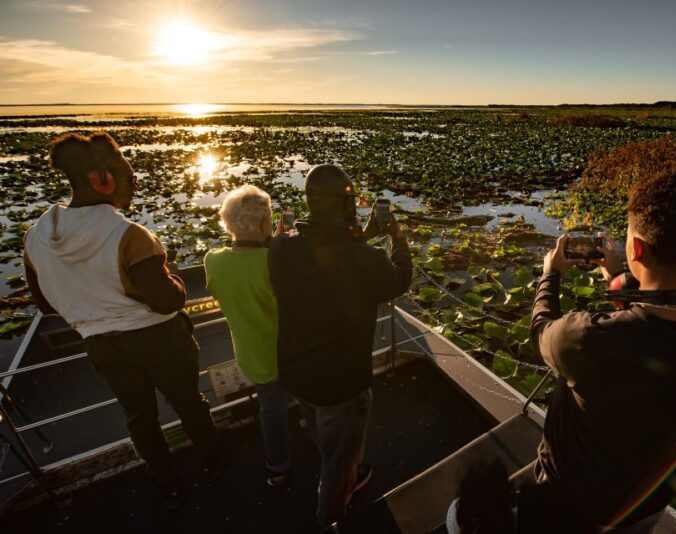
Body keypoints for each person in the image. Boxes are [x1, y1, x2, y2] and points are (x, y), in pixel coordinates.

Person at [521, 171, 676, 533]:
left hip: (563, 507)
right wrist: (620, 279)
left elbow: (542, 331)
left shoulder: (588, 338)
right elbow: (664, 331)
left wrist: (549, 275)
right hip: (646, 505)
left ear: (636, 248)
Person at [24, 132, 222, 508]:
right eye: (130, 178)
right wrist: (176, 279)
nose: (133, 186)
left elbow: (46, 305)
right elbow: (167, 302)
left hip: (101, 344)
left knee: (139, 416)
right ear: (102, 179)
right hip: (158, 339)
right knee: (188, 403)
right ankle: (214, 459)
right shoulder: (128, 235)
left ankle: (167, 483)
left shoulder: (35, 239)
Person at [268, 164, 412, 529]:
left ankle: (348, 470)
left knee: (320, 431)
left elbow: (328, 256)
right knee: (336, 468)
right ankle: (330, 520)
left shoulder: (281, 248)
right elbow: (398, 279)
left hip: (296, 374)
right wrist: (397, 237)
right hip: (340, 384)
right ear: (348, 207)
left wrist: (360, 236)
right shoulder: (365, 259)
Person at [203, 185, 291, 487]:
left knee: (271, 407)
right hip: (287, 351)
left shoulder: (212, 260)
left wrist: (267, 240)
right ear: (264, 223)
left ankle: (278, 465)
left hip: (250, 353)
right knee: (304, 399)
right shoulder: (274, 261)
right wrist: (277, 244)